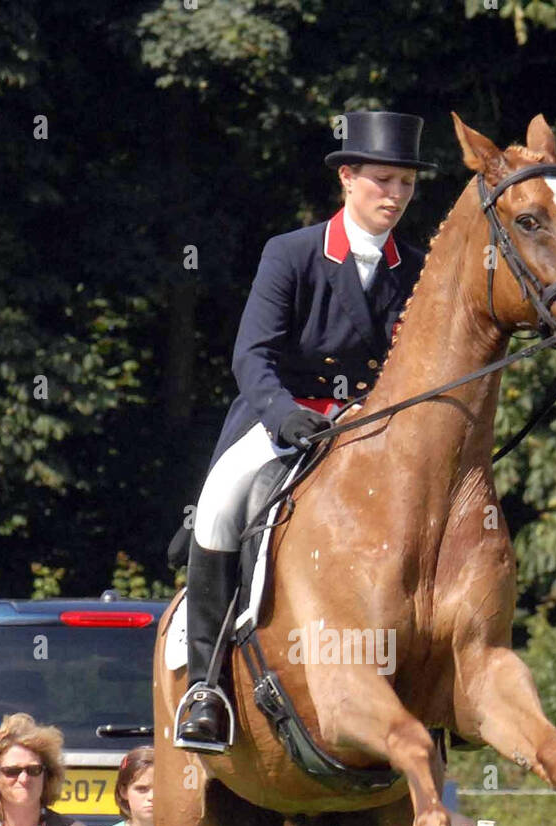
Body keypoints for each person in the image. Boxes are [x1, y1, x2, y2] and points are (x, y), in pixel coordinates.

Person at [175, 110, 435, 751]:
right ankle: (205, 686)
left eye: (405, 183)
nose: (395, 196)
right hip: (283, 421)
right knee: (218, 508)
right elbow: (251, 356)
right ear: (347, 177)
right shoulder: (291, 254)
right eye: (382, 180)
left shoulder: (419, 268)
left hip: (371, 430)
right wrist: (287, 412)